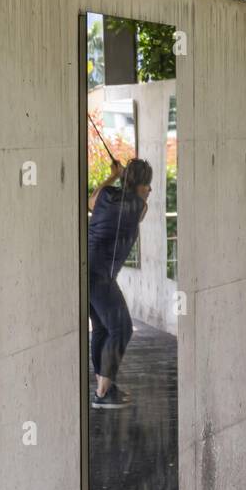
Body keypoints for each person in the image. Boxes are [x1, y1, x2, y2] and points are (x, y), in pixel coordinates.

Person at [88, 157, 152, 410]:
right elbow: (143, 204)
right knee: (122, 328)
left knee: (103, 329)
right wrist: (129, 180)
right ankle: (103, 394)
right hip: (100, 277)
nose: (149, 190)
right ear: (142, 186)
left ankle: (104, 386)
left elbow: (91, 200)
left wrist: (114, 176)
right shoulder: (139, 206)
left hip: (86, 272)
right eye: (148, 185)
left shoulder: (105, 195)